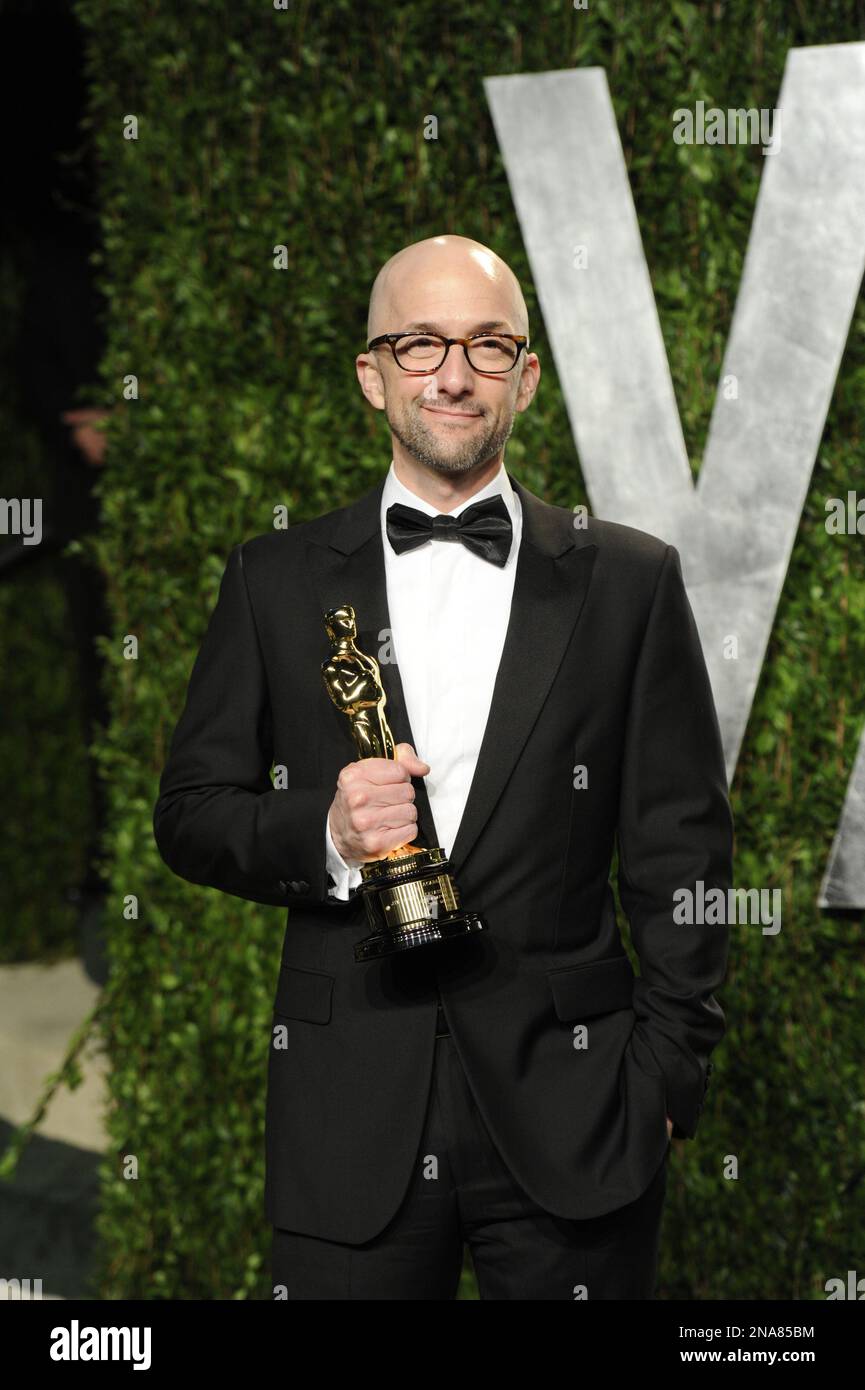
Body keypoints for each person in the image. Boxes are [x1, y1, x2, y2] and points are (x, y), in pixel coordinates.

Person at [153, 234, 733, 1300]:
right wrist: (323, 835)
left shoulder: (629, 581)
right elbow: (189, 813)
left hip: (578, 1114)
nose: (453, 373)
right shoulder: (275, 578)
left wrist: (662, 1077)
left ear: (527, 374)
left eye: (485, 344)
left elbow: (683, 852)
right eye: (420, 343)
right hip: (348, 1114)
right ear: (372, 374)